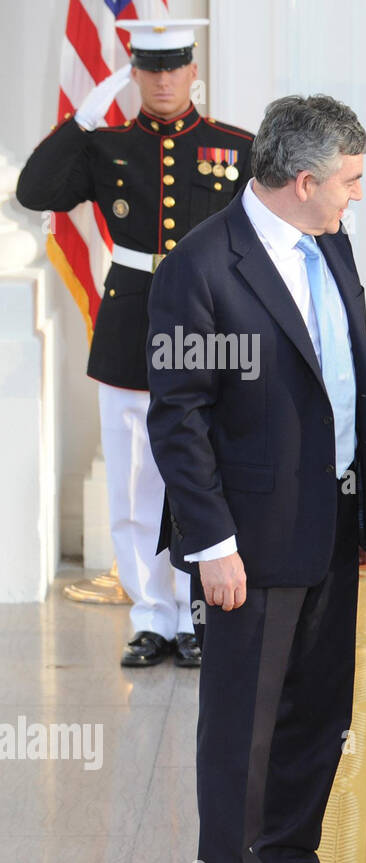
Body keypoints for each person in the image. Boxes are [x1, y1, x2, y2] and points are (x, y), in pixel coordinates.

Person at [146, 95, 366, 863]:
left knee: (319, 709)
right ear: (305, 179)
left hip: (333, 517)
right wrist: (212, 545)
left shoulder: (334, 244)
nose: (358, 195)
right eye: (350, 182)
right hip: (244, 541)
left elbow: (345, 380)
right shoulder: (200, 267)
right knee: (243, 720)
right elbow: (177, 419)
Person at [16, 16, 253, 668]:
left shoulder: (234, 145)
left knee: (198, 474)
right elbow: (33, 191)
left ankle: (192, 613)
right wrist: (81, 124)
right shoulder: (108, 146)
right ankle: (150, 616)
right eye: (151, 68)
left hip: (208, 329)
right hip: (131, 325)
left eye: (176, 65)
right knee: (133, 479)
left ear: (193, 69)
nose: (165, 79)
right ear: (136, 73)